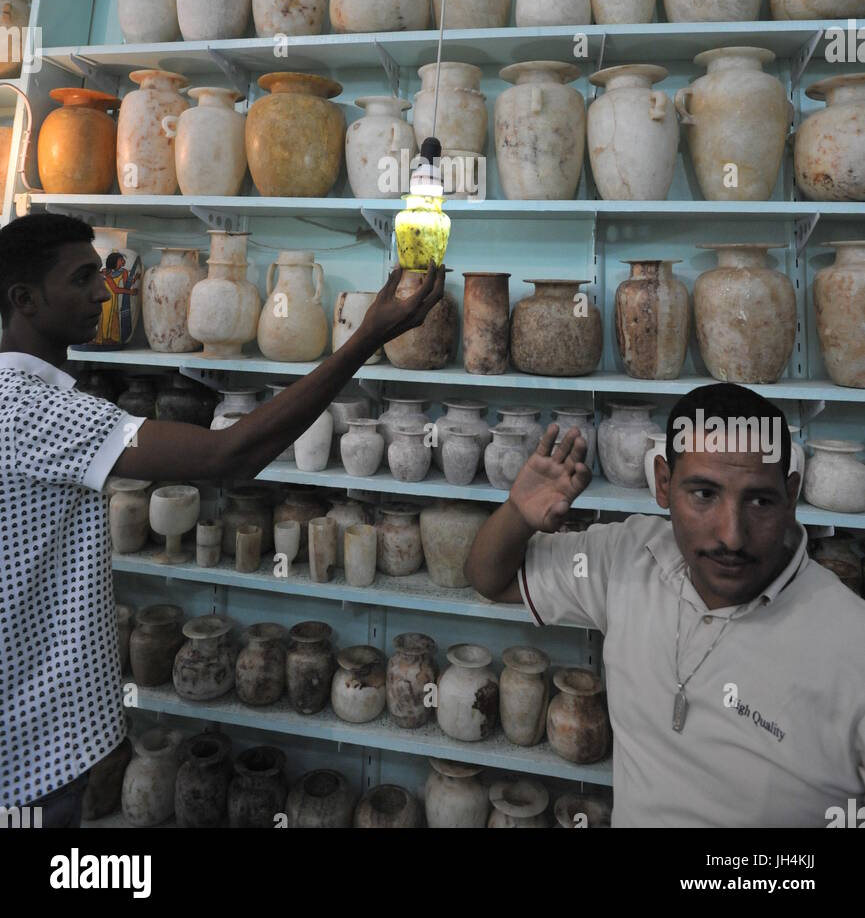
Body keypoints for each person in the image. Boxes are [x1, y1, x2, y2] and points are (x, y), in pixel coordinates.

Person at [0, 211, 445, 825]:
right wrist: (367, 337)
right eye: (81, 279)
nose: (103, 291)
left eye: (100, 273)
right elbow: (228, 455)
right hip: (29, 749)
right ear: (23, 299)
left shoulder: (39, 402)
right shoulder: (30, 410)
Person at [466, 381, 865, 828]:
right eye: (703, 494)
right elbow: (488, 578)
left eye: (759, 500)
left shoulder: (852, 642)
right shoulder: (625, 557)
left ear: (790, 497)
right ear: (662, 484)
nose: (732, 535)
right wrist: (518, 514)